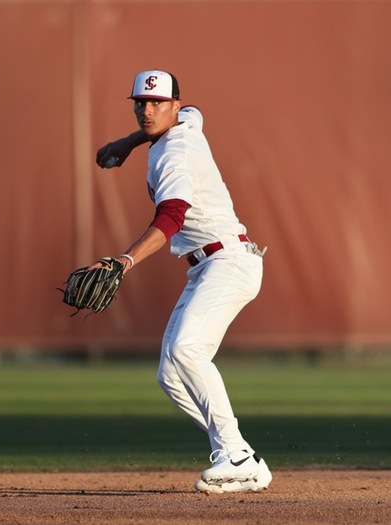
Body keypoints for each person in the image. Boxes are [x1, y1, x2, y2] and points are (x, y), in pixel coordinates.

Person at [91, 69, 271, 494]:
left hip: (228, 261)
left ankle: (236, 455)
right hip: (208, 265)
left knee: (186, 349)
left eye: (157, 103)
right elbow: (195, 110)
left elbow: (171, 217)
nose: (147, 110)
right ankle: (245, 459)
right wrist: (128, 143)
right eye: (141, 102)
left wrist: (125, 260)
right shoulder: (186, 121)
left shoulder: (176, 153)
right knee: (171, 374)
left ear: (172, 104)